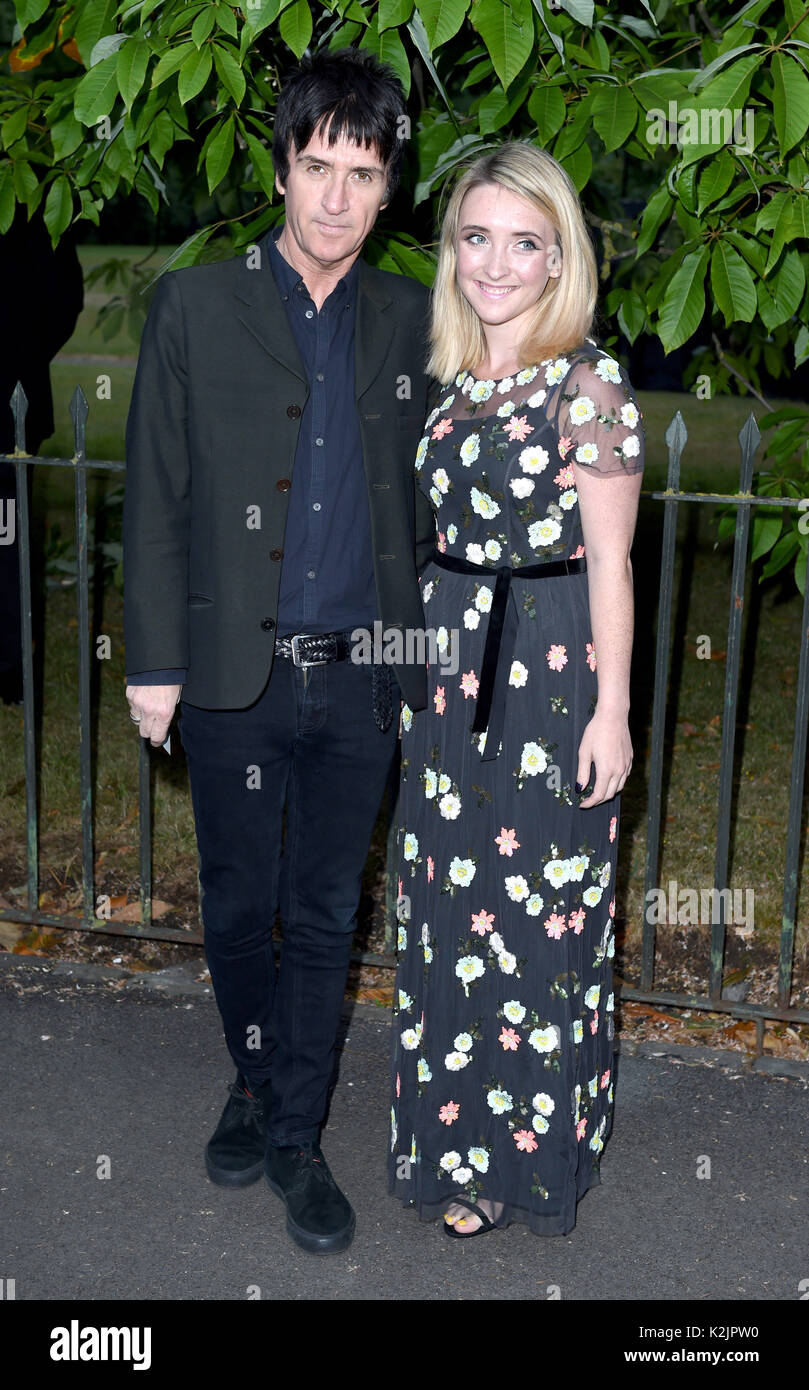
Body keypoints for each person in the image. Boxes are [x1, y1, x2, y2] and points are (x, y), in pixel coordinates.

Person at [123, 48, 436, 1256]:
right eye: (317, 167)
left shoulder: (416, 318)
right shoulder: (195, 306)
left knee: (322, 916)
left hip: (360, 675)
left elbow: (439, 497)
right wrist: (153, 664)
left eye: (362, 173)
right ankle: (251, 1078)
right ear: (279, 169)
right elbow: (153, 499)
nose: (336, 198)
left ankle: (297, 1131)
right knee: (237, 907)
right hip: (231, 679)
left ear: (387, 185)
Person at [388, 142, 645, 1238]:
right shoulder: (458, 380)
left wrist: (613, 713)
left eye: (521, 242)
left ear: (558, 258)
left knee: (540, 923)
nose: (494, 262)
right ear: (453, 250)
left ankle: (520, 1161)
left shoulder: (587, 384)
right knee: (447, 913)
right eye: (474, 236)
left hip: (545, 683)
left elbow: (611, 564)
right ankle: (448, 1144)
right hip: (447, 683)